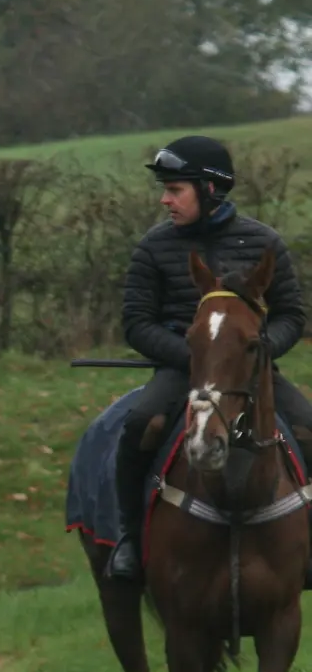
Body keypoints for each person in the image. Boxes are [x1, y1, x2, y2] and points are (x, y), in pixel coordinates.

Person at [107, 135, 310, 583]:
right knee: (141, 424)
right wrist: (198, 356)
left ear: (209, 189)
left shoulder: (265, 243)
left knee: (308, 426)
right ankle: (128, 537)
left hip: (251, 372)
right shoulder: (153, 248)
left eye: (175, 189)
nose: (165, 199)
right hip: (183, 369)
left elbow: (292, 316)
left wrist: (253, 354)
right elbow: (138, 324)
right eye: (165, 189)